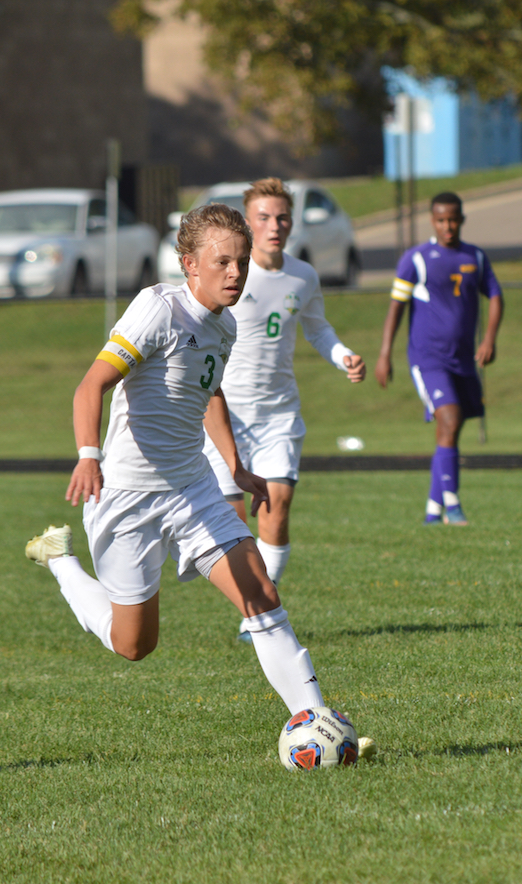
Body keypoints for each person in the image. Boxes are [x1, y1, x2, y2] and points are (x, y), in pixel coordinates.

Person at [24, 203, 330, 720]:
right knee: (134, 645)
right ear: (189, 263)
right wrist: (88, 456)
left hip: (193, 488)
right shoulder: (158, 310)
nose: (236, 273)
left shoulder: (226, 326)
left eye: (243, 261)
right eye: (223, 262)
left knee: (261, 595)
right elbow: (91, 385)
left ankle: (316, 720)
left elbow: (208, 394)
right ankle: (59, 560)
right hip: (125, 495)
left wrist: (234, 466)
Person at [202, 178, 366, 639]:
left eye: (282, 218)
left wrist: (343, 355)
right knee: (232, 524)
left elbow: (318, 329)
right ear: (247, 223)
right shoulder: (231, 274)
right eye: (264, 218)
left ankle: (256, 615)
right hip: (225, 417)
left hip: (278, 414)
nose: (274, 226)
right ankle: (251, 602)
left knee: (278, 505)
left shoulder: (303, 276)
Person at [375, 192, 503, 525]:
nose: (448, 226)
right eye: (441, 220)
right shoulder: (416, 258)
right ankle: (454, 507)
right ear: (433, 221)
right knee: (449, 418)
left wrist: (489, 339)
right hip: (427, 358)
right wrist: (385, 353)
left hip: (462, 359)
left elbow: (496, 297)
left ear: (461, 219)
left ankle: (433, 512)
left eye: (453, 219)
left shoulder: (475, 256)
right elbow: (396, 307)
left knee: (450, 430)